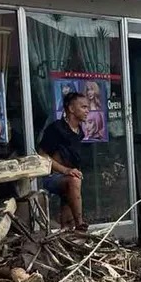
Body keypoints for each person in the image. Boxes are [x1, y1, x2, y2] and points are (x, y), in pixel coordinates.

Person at [38, 90, 89, 231]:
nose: (87, 111)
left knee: (67, 219)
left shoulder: (79, 131)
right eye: (83, 107)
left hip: (69, 177)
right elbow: (42, 155)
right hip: (51, 177)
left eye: (88, 107)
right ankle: (80, 223)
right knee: (74, 181)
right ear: (71, 109)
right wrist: (66, 170)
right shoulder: (56, 129)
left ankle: (70, 233)